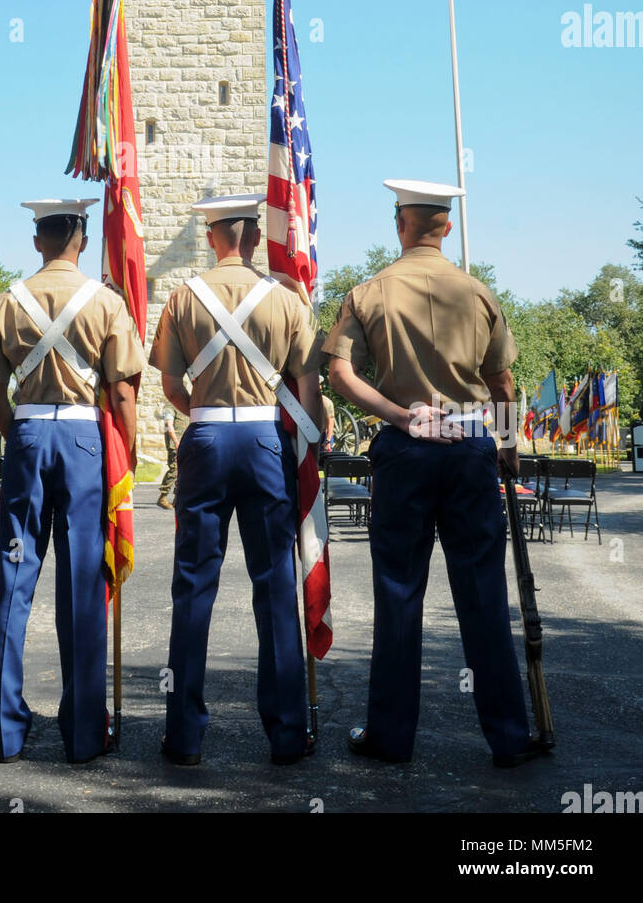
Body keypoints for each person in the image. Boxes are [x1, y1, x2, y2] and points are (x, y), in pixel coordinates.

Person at [324, 178, 539, 769]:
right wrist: (508, 440)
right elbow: (502, 385)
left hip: (406, 443)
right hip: (470, 443)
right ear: (446, 227)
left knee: (398, 593)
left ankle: (391, 738)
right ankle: (509, 736)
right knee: (484, 594)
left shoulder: (367, 293)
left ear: (399, 224)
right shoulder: (478, 292)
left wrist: (398, 413)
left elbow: (339, 373)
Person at [149, 193, 324, 767]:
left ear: (211, 237)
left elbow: (171, 385)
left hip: (205, 438)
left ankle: (184, 737)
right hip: (265, 440)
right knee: (274, 583)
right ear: (251, 237)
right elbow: (307, 388)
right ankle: (287, 733)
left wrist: (202, 408)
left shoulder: (181, 296)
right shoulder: (286, 299)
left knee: (193, 586)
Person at [0, 198, 145, 765]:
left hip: (26, 433)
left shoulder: (8, 299)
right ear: (82, 240)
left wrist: (18, 431)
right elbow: (121, 389)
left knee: (13, 574)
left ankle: (3, 731)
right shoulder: (106, 302)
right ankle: (82, 733)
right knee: (81, 581)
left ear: (37, 241)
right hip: (81, 440)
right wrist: (132, 444)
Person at [157, 403, 180, 509]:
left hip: (184, 442)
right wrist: (176, 442)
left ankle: (178, 498)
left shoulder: (183, 404)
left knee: (183, 472)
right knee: (174, 470)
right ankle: (163, 496)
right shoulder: (170, 407)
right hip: (175, 445)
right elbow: (168, 425)